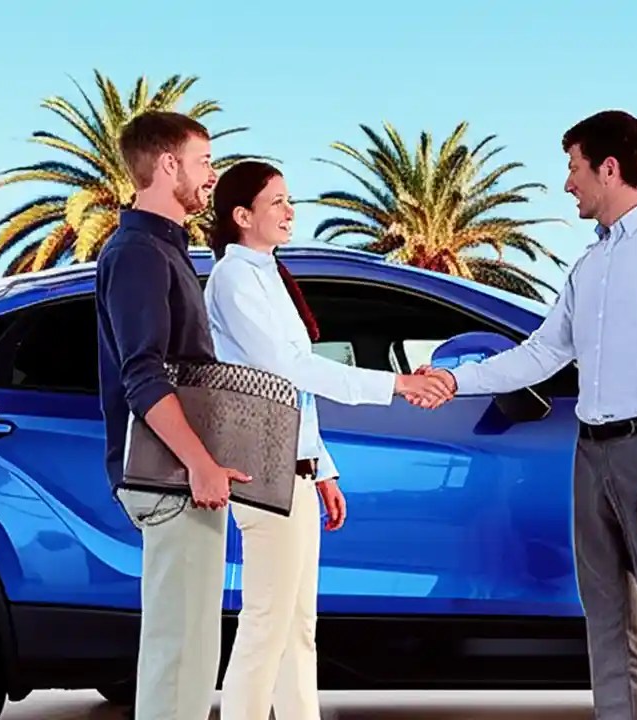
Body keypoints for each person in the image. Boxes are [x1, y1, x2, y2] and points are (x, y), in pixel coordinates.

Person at [420, 110, 637, 720]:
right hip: (591, 454)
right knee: (607, 623)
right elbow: (541, 353)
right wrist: (456, 378)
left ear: (609, 169)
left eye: (574, 169)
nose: (568, 185)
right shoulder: (590, 266)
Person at [202, 160, 453, 720]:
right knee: (269, 620)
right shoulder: (236, 277)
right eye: (276, 202)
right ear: (242, 216)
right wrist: (397, 384)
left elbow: (296, 390)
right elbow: (289, 369)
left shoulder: (266, 272)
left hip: (293, 467)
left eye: (290, 200)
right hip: (263, 469)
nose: (290, 211)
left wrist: (322, 468)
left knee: (296, 624)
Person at [95, 110, 250, 720]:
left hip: (181, 477)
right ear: (167, 165)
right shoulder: (137, 253)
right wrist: (201, 464)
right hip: (172, 478)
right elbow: (143, 374)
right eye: (203, 161)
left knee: (188, 648)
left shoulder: (162, 249)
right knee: (179, 653)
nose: (211, 175)